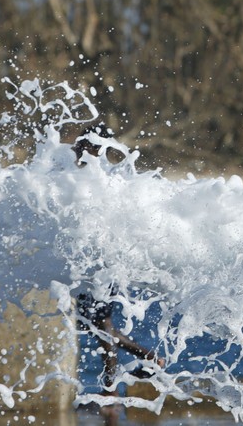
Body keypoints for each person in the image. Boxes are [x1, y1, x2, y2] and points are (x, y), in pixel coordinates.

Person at [72, 124, 164, 424]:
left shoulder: (100, 176)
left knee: (102, 328)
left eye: (88, 144)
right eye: (83, 143)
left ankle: (110, 393)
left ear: (97, 147)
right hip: (90, 262)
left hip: (101, 262)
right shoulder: (87, 172)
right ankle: (145, 361)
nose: (82, 147)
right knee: (100, 327)